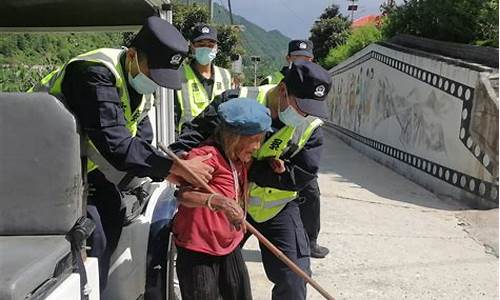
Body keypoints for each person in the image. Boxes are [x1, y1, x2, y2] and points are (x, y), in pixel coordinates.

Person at [31, 16, 214, 291]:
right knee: (95, 235)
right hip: (39, 167)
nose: (155, 83)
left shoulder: (136, 79)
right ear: (132, 55)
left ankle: (99, 290)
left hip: (82, 170)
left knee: (114, 214)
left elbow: (142, 134)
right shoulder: (94, 72)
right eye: (154, 75)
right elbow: (115, 144)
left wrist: (170, 167)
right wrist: (176, 169)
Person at [170, 60, 332, 300]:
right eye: (301, 106)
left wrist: (254, 167)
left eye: (312, 109)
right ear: (284, 90)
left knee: (294, 279)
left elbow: (300, 176)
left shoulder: (311, 128)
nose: (306, 115)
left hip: (275, 210)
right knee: (217, 283)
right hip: (227, 212)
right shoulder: (235, 102)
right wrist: (180, 164)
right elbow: (193, 138)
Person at [172, 98, 272, 300]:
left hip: (229, 243)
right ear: (235, 137)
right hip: (199, 248)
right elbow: (182, 194)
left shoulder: (238, 158)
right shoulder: (206, 157)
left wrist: (271, 163)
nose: (258, 146)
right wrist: (219, 202)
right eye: (255, 139)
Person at [262, 39, 329, 259]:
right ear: (288, 58)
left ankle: (310, 240)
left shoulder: (315, 82)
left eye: (307, 59)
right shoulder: (273, 81)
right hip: (265, 148)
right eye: (297, 58)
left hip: (293, 150)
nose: (302, 62)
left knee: (310, 192)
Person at [175, 23, 232, 132]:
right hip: (189, 142)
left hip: (217, 143)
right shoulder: (179, 74)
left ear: (216, 48)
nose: (206, 48)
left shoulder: (225, 76)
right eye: (200, 44)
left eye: (210, 45)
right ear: (191, 46)